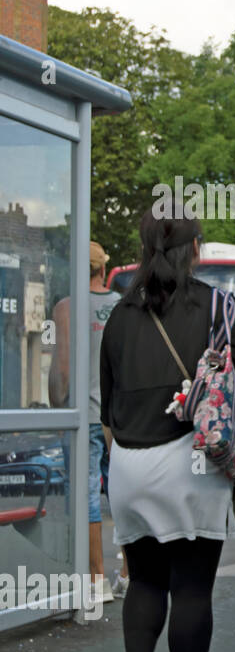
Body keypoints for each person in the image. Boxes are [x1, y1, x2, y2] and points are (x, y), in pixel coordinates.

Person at [101, 207, 235, 652]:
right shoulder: (219, 306)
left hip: (127, 464)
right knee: (191, 588)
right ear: (195, 249)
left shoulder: (121, 315)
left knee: (145, 581)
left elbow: (109, 408)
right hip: (191, 464)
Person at [49, 242, 121, 606]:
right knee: (123, 493)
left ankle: (96, 579)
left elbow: (62, 370)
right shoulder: (124, 305)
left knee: (88, 497)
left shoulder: (67, 308)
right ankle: (128, 573)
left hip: (87, 417)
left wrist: (57, 409)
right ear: (104, 269)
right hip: (122, 417)